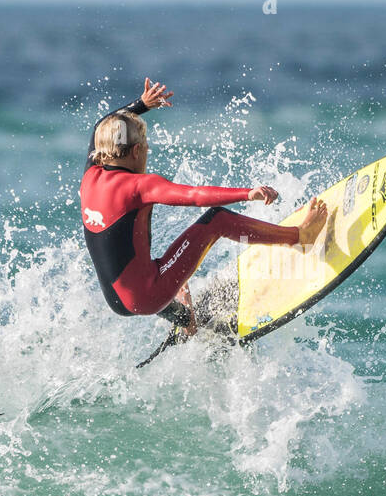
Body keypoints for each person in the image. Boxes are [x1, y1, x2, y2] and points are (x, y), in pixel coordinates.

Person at [81, 79, 327, 334]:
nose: (146, 151)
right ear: (135, 151)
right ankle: (299, 237)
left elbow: (103, 125)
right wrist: (246, 193)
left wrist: (141, 105)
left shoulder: (91, 174)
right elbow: (196, 195)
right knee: (217, 220)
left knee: (149, 265)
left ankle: (186, 320)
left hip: (116, 300)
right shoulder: (138, 186)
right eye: (145, 147)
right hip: (146, 297)